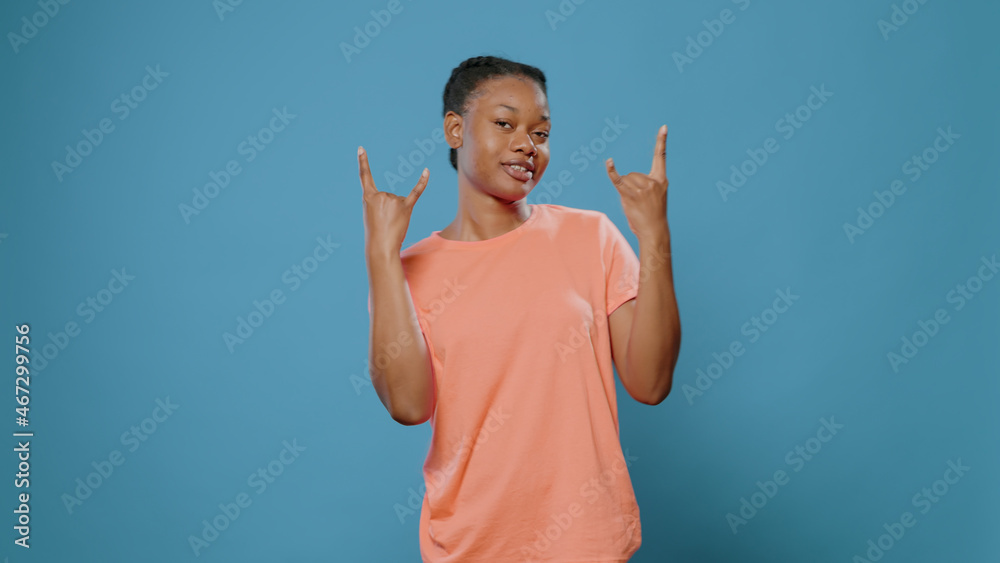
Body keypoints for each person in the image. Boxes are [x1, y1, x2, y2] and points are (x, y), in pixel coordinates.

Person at [360, 55, 681, 562]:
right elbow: (408, 405)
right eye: (505, 124)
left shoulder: (590, 235)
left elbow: (651, 382)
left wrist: (654, 237)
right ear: (455, 128)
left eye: (541, 132)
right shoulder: (409, 269)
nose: (526, 145)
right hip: (470, 545)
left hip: (587, 542)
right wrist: (380, 254)